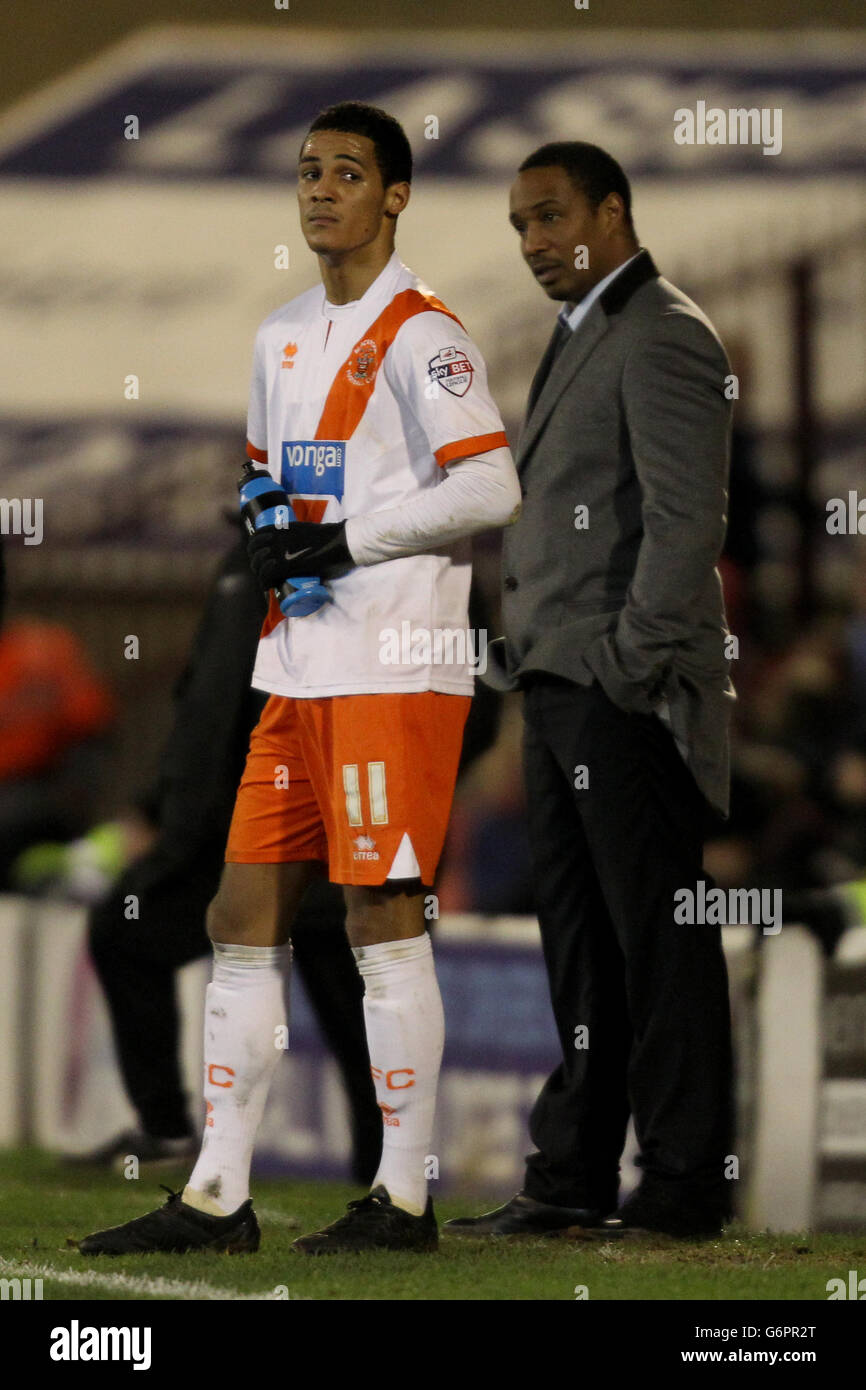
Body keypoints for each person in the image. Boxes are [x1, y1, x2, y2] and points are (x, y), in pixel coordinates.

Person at [79, 101, 519, 1257]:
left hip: (391, 667)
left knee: (378, 917)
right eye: (307, 171)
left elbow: (492, 489)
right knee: (240, 913)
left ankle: (404, 1196)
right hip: (298, 665)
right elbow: (269, 477)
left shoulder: (426, 335)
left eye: (347, 173)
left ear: (397, 194)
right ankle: (219, 1193)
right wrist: (274, 523)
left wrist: (346, 544)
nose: (320, 190)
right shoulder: (279, 334)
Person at [446, 142, 735, 1242]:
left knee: (656, 938)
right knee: (580, 941)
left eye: (549, 216)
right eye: (518, 224)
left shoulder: (662, 333)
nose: (530, 242)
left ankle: (680, 1185)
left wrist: (625, 663)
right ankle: (568, 1175)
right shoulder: (588, 333)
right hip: (562, 685)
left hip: (625, 692)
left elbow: (684, 525)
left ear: (610, 211)